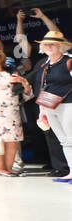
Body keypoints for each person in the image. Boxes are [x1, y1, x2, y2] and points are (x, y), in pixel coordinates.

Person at [34, 30, 72, 182]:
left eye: (52, 44)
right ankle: (71, 172)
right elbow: (43, 88)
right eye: (46, 44)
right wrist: (42, 111)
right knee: (64, 141)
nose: (48, 46)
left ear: (60, 46)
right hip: (50, 107)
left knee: (70, 139)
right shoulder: (44, 65)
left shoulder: (68, 62)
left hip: (68, 105)